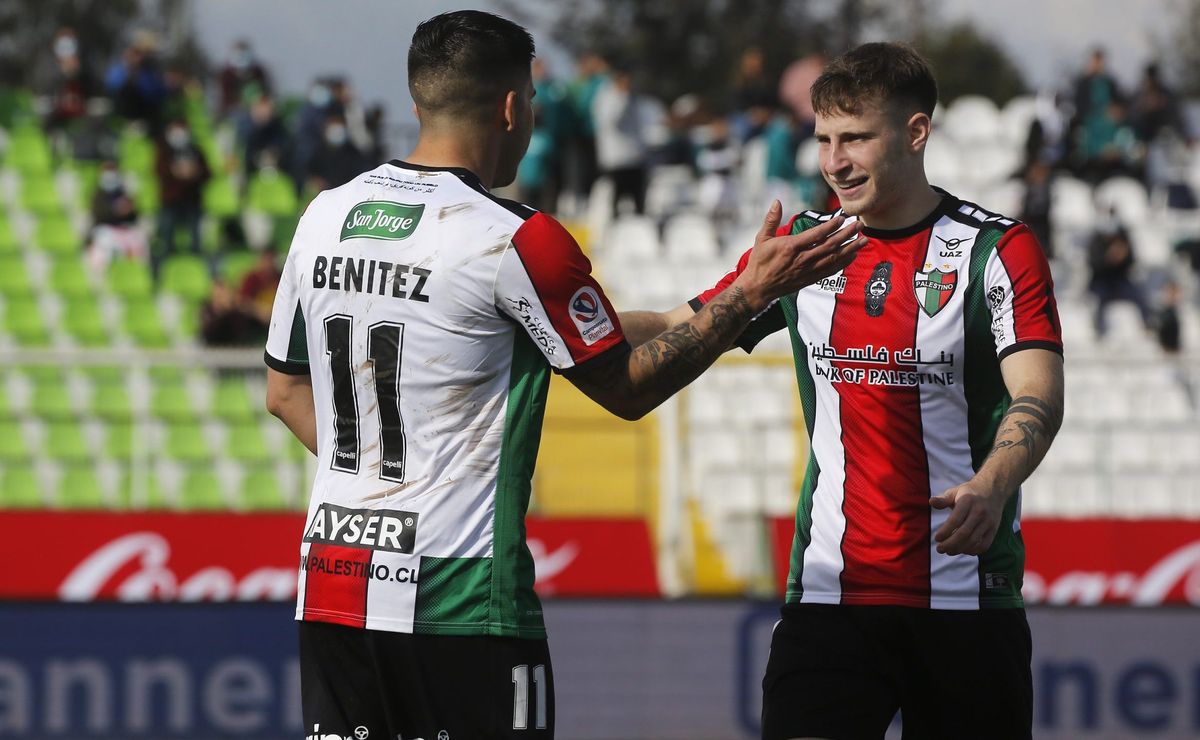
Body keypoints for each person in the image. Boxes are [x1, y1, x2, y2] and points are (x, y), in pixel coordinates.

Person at [262, 11, 863, 740]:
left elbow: (284, 390)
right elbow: (629, 386)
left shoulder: (327, 215)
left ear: (418, 102)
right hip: (463, 602)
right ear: (514, 107)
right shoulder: (513, 235)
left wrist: (721, 301)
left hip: (333, 586)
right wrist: (752, 296)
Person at [620, 42, 1063, 739]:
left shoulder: (994, 251)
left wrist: (993, 481)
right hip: (830, 598)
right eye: (824, 138)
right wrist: (558, 319)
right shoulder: (802, 249)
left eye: (856, 137)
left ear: (916, 133)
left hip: (967, 600)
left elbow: (1037, 393)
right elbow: (680, 325)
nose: (835, 160)